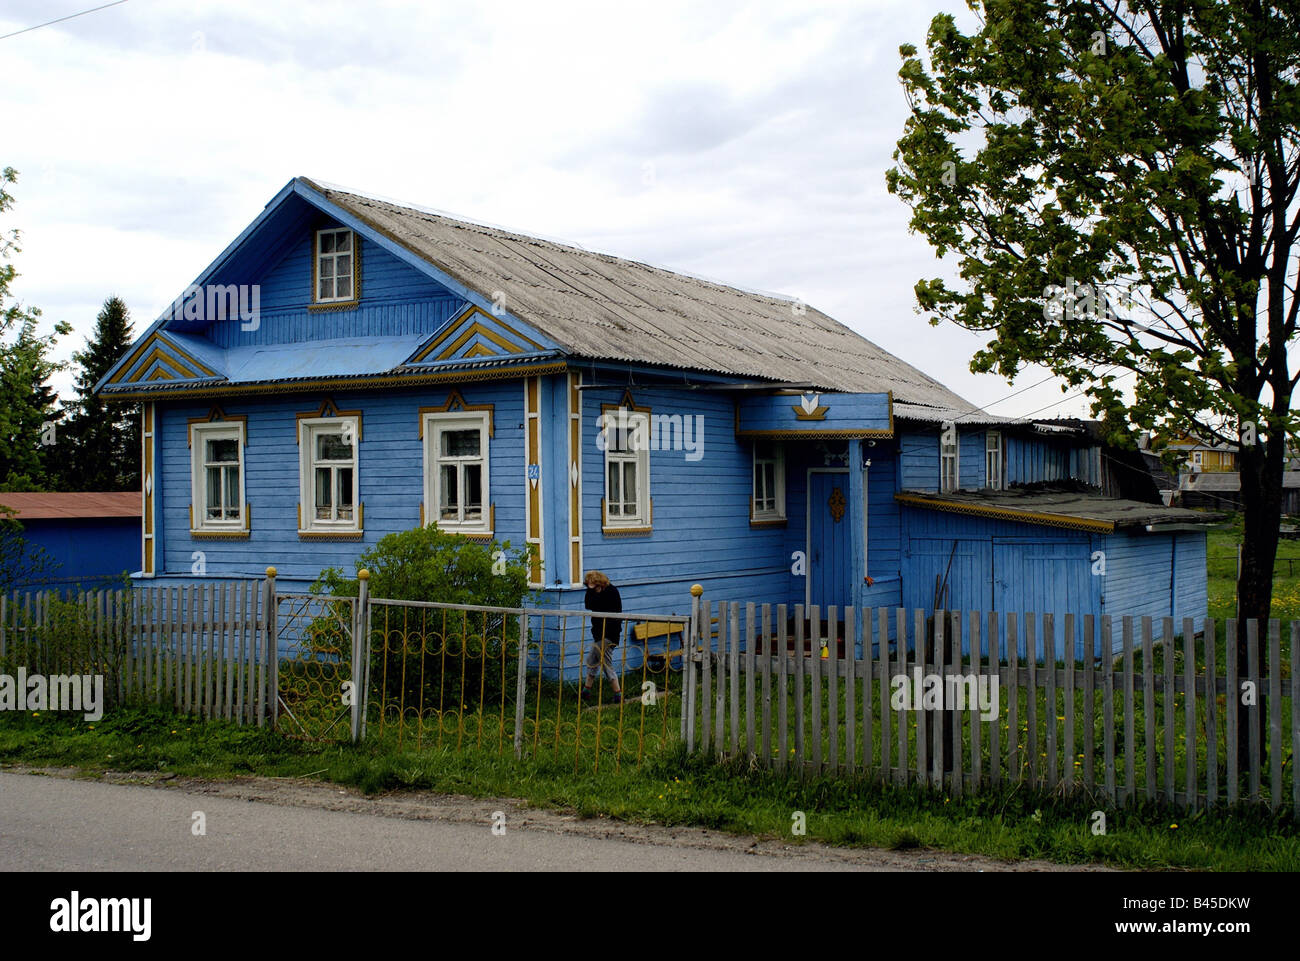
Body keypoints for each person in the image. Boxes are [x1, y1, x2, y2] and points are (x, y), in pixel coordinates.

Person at [581, 570, 622, 703]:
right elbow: (588, 605)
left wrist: (594, 592)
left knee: (605, 662)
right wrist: (591, 590)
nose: (589, 585)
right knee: (592, 660)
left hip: (610, 633)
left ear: (598, 581)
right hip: (598, 633)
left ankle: (618, 694)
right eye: (588, 584)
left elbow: (609, 609)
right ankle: (586, 691)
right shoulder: (593, 593)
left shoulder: (611, 591)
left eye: (591, 582)